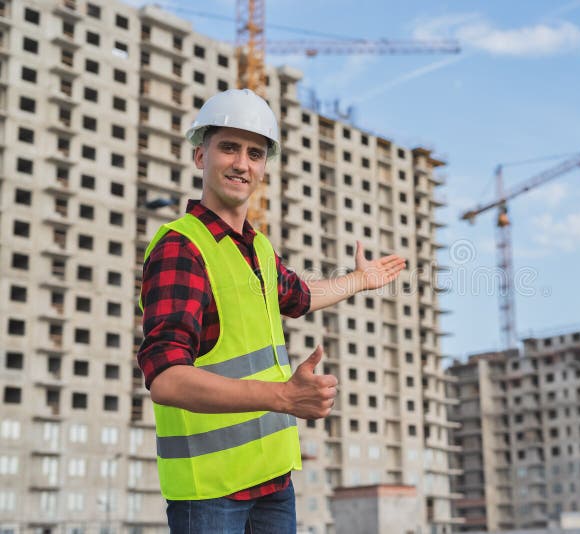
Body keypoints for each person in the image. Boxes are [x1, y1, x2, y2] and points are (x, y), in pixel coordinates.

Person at [137, 88, 406, 533]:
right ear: (201, 157)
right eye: (229, 148)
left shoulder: (256, 247)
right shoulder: (180, 247)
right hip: (211, 495)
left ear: (263, 167)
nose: (242, 163)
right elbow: (166, 379)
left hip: (273, 484)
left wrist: (359, 280)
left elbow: (300, 296)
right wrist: (284, 397)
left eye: (255, 153)